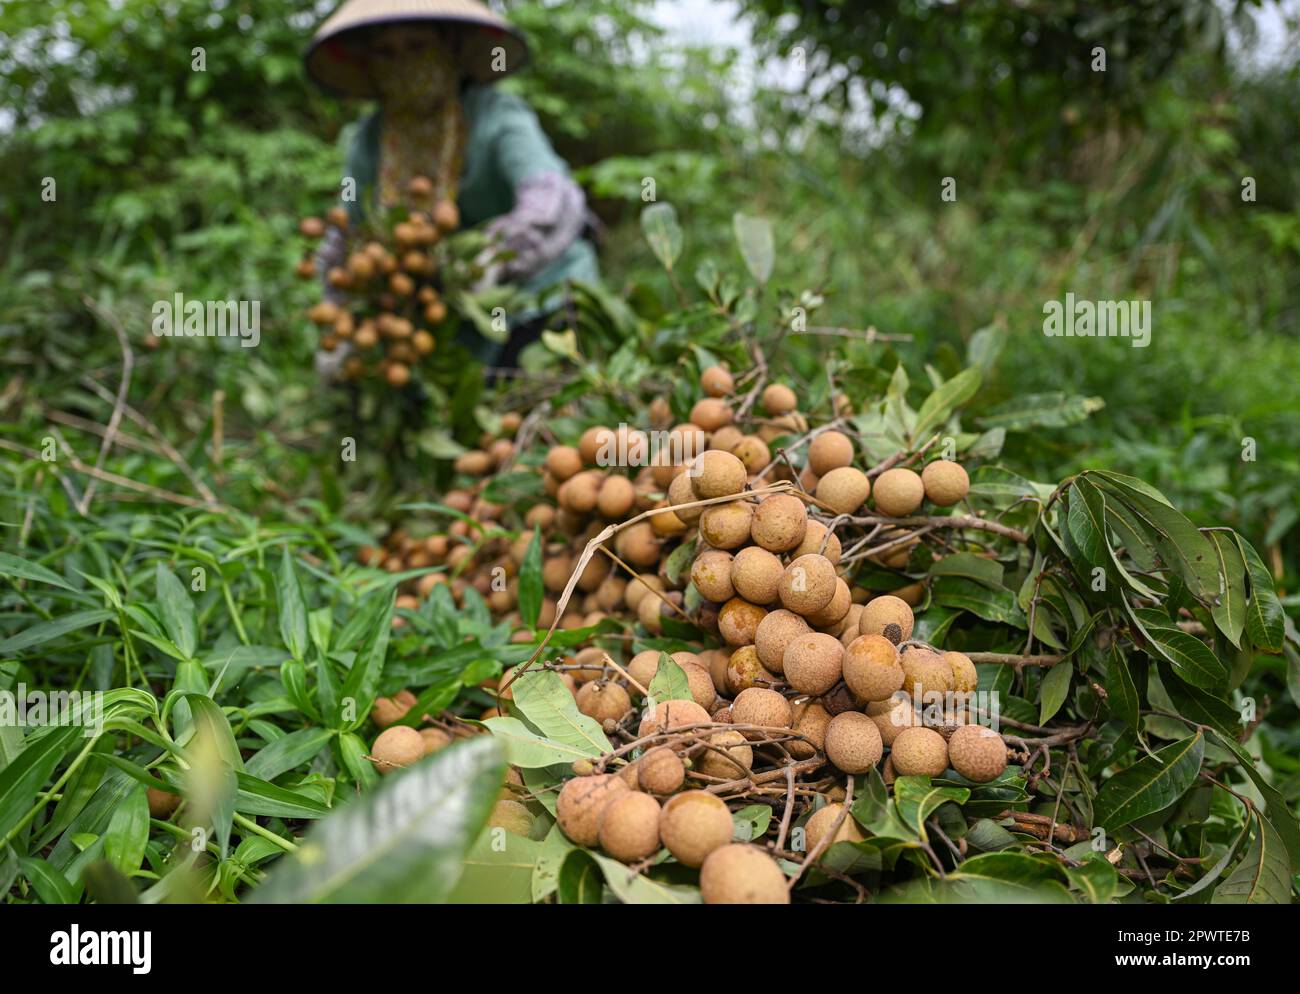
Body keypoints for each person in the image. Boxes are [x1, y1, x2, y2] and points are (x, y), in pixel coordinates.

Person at [304, 0, 599, 374]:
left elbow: (550, 195)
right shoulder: (367, 140)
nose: (403, 63)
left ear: (449, 49)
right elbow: (348, 230)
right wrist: (341, 314)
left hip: (545, 297)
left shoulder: (496, 115)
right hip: (459, 319)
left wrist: (496, 253)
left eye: (417, 46)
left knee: (539, 406)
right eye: (386, 52)